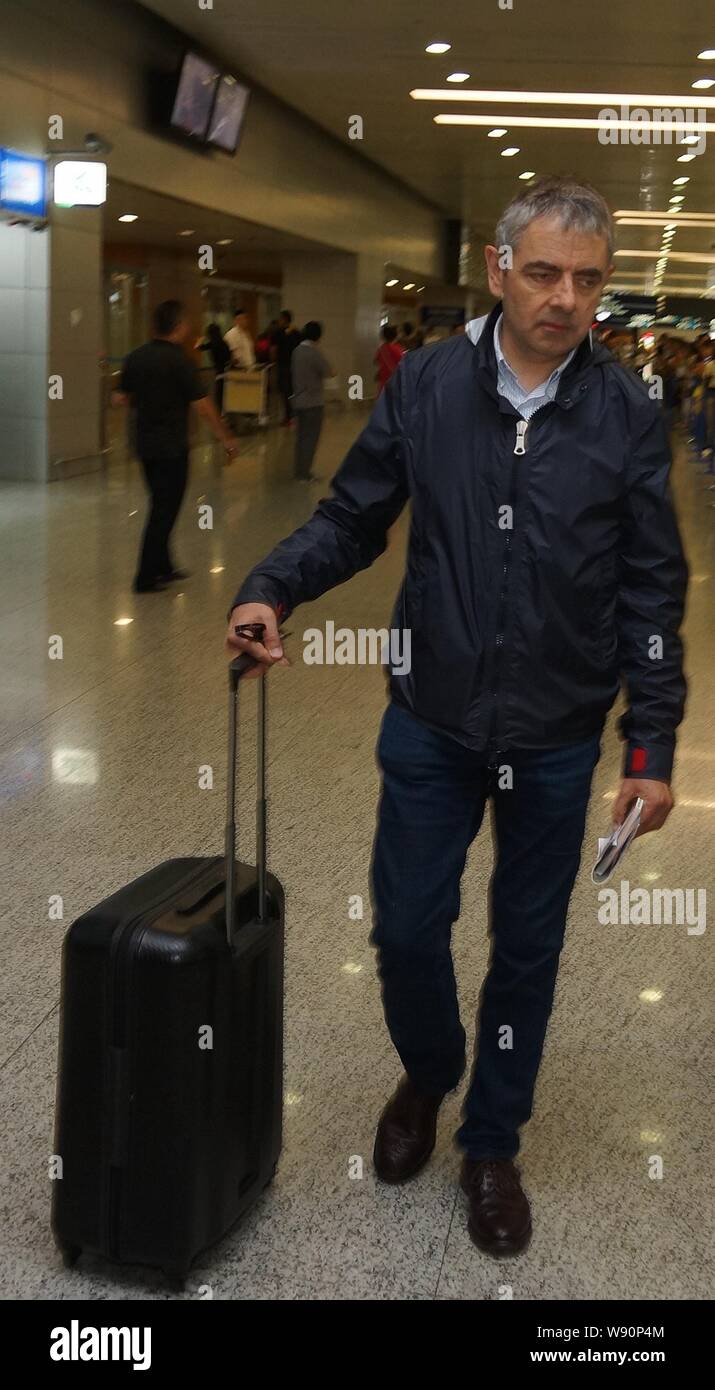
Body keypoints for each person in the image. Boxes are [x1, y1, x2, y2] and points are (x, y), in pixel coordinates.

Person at [224, 176, 687, 1256]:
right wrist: (270, 587)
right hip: (431, 718)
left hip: (561, 730)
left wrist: (652, 741)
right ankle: (429, 1071)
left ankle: (490, 1141)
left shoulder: (623, 411)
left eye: (586, 279)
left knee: (527, 946)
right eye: (543, 273)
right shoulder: (428, 384)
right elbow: (353, 515)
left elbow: (651, 590)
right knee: (402, 926)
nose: (565, 299)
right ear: (495, 268)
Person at [114, 299, 238, 593]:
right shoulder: (181, 361)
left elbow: (119, 398)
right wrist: (227, 438)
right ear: (179, 327)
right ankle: (144, 576)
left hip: (145, 445)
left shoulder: (135, 357)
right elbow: (203, 407)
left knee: (160, 503)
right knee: (164, 509)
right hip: (172, 447)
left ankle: (164, 566)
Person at [290, 321, 332, 481]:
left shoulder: (297, 351)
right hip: (313, 402)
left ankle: (299, 470)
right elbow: (329, 371)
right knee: (311, 438)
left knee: (300, 438)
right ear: (318, 336)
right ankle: (305, 473)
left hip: (298, 400)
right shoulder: (314, 352)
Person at [271, 309, 302, 424]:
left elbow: (273, 350)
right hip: (294, 366)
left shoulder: (278, 333)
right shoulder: (297, 333)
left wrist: (273, 361)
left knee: (284, 391)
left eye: (280, 319)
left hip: (283, 366)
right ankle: (293, 414)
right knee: (291, 391)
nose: (279, 321)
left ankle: (288, 416)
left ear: (284, 319)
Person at [195, 321, 232, 415]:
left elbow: (197, 347)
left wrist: (201, 339)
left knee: (219, 393)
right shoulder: (224, 343)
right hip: (227, 371)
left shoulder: (212, 344)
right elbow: (230, 357)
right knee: (226, 393)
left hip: (219, 372)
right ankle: (226, 411)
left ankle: (220, 413)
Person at [374, 324, 405, 394]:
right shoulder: (397, 349)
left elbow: (376, 361)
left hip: (384, 382)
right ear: (395, 335)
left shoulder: (381, 349)